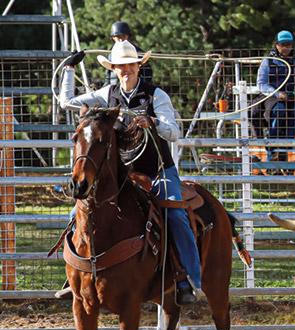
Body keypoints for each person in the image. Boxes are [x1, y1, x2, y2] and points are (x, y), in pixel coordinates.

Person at [57, 41, 202, 305]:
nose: (126, 70)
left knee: (175, 214)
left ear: (139, 66)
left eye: (130, 65)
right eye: (121, 66)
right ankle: (75, 277)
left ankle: (188, 279)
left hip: (158, 170)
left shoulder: (155, 96)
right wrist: (68, 68)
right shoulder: (107, 94)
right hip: (123, 175)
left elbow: (173, 132)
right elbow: (66, 102)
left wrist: (154, 122)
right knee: (78, 211)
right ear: (113, 69)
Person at [251, 30, 295, 153]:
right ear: (276, 45)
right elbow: (261, 84)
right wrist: (277, 93)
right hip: (272, 96)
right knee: (279, 109)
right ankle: (272, 143)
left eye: (288, 45)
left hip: (294, 97)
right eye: (282, 45)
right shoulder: (267, 60)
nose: (285, 48)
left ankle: (287, 142)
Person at [103, 21, 153, 87]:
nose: (121, 40)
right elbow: (108, 77)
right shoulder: (111, 54)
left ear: (128, 36)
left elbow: (147, 74)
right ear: (113, 38)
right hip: (114, 91)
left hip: (133, 89)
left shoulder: (137, 52)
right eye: (118, 37)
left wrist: (139, 87)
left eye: (123, 36)